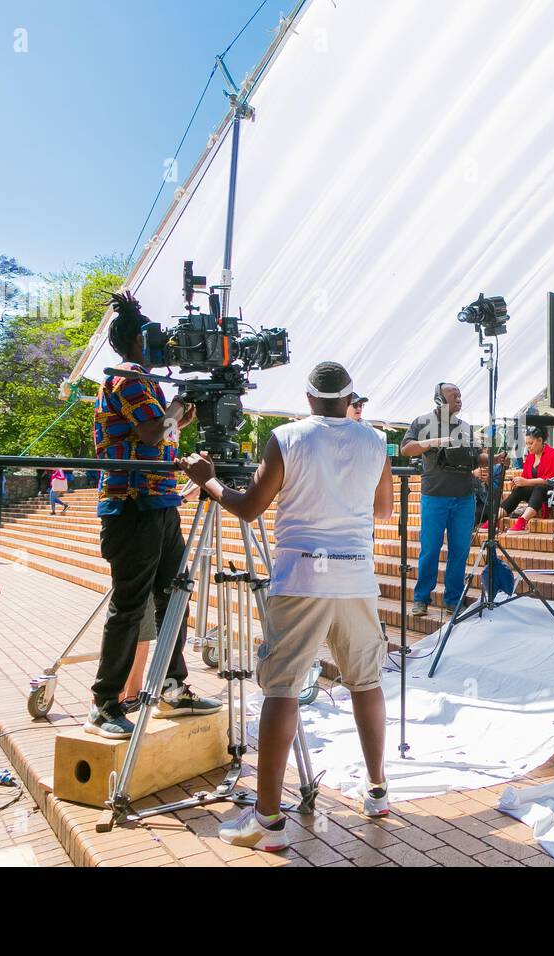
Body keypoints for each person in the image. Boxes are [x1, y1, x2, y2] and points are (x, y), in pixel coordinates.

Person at [182, 361, 393, 850]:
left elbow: (250, 506)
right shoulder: (376, 441)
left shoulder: (286, 437)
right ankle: (378, 791)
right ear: (349, 397)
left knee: (282, 691)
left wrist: (209, 481)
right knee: (366, 682)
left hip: (301, 575)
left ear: (309, 397)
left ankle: (269, 820)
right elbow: (382, 510)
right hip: (356, 576)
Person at [84, 290, 220, 740]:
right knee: (130, 607)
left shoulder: (143, 382)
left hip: (159, 505)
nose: (163, 343)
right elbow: (147, 433)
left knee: (174, 596)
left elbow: (156, 433)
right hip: (132, 508)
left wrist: (175, 420)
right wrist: (178, 409)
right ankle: (105, 704)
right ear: (137, 340)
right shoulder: (129, 380)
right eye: (154, 336)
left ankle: (171, 685)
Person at [402, 383, 480, 618]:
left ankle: (453, 600)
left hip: (464, 497)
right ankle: (421, 599)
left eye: (459, 395)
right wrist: (433, 442)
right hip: (434, 496)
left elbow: (475, 458)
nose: (458, 399)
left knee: (460, 550)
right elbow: (407, 449)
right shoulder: (422, 422)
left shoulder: (465, 428)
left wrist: (494, 458)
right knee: (430, 549)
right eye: (453, 395)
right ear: (439, 400)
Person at [489, 426, 554, 533]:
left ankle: (522, 521)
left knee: (540, 488)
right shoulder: (530, 457)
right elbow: (525, 478)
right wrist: (519, 483)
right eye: (526, 443)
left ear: (540, 440)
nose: (528, 447)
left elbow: (551, 480)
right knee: (518, 491)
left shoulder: (553, 454)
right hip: (541, 492)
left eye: (531, 443)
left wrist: (526, 482)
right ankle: (493, 520)